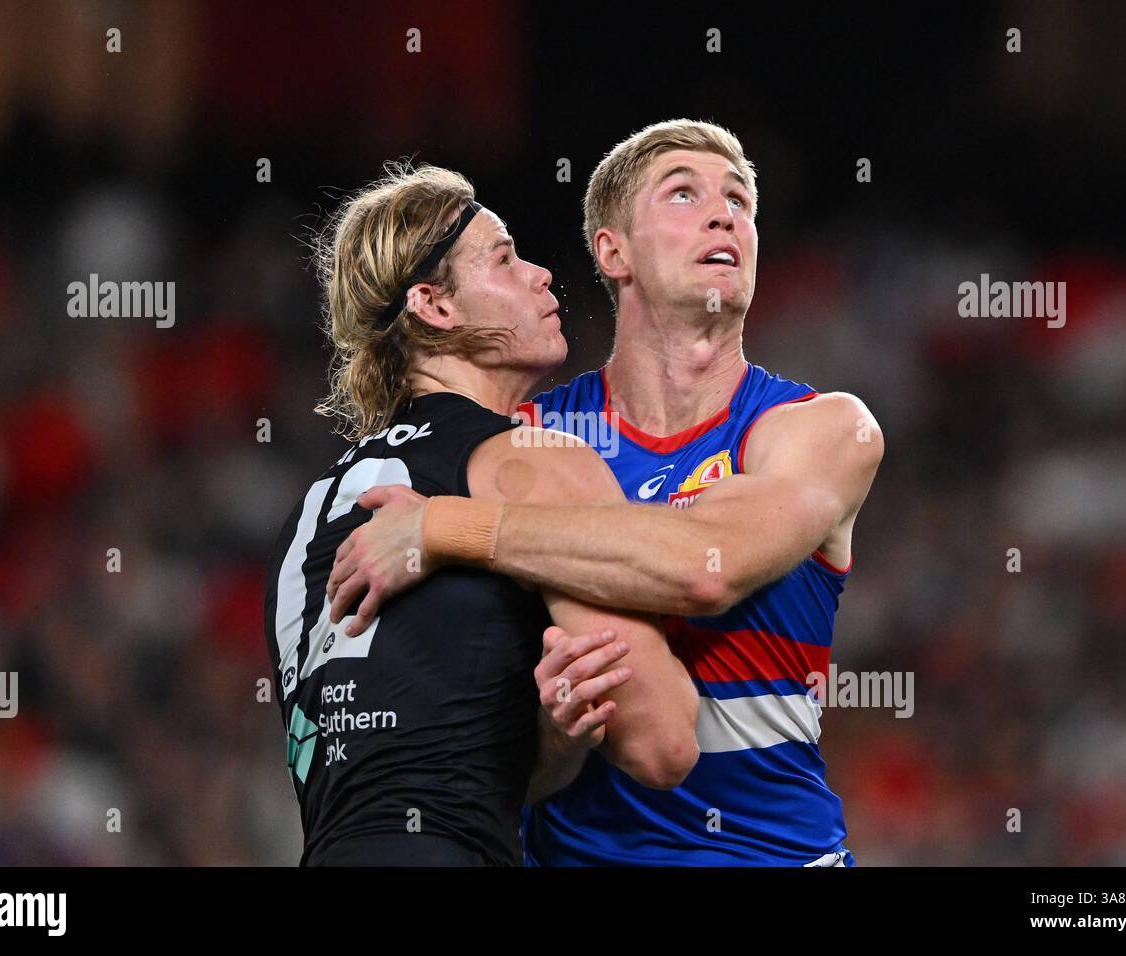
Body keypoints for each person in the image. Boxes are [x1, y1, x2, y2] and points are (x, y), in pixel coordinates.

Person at [326, 121, 884, 866]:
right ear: (611, 250)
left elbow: (705, 567)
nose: (724, 214)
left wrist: (446, 528)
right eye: (684, 193)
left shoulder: (822, 429)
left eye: (740, 201)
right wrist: (561, 734)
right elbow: (507, 775)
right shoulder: (524, 445)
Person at [266, 162, 697, 866]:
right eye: (504, 258)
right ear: (435, 306)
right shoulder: (522, 460)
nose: (542, 276)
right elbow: (664, 744)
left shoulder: (306, 517)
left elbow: (427, 762)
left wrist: (557, 738)